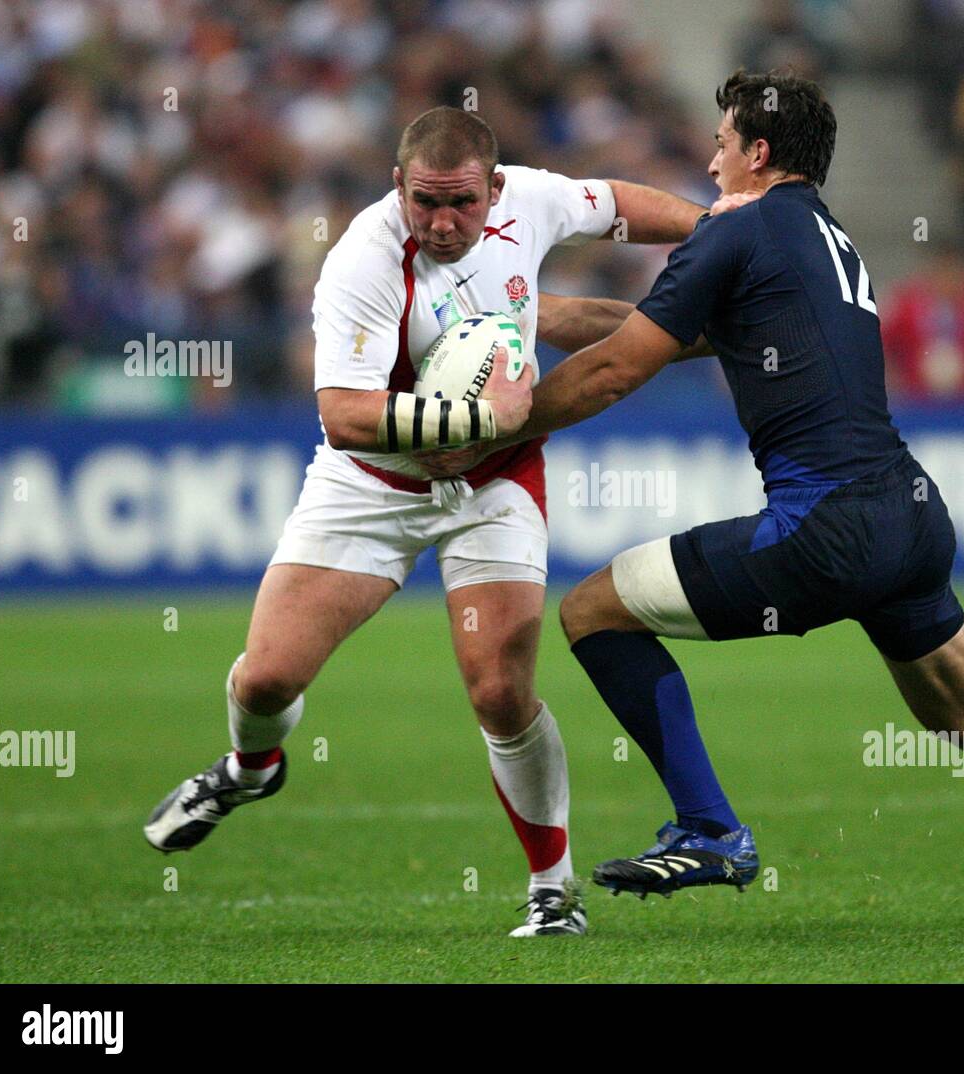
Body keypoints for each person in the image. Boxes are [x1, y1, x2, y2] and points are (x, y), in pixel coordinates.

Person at [486, 71, 964, 921]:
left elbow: (616, 369)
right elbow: (650, 331)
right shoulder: (819, 238)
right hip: (910, 515)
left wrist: (494, 429)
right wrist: (521, 310)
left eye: (722, 146)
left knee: (592, 612)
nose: (712, 163)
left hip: (824, 529)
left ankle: (711, 828)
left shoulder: (736, 231)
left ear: (758, 152)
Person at [144, 105, 711, 937]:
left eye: (462, 203)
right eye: (426, 202)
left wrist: (718, 228)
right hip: (371, 486)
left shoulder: (533, 200)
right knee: (265, 681)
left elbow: (618, 204)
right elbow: (343, 415)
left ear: (496, 189)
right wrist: (475, 420)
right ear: (397, 186)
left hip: (495, 484)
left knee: (500, 689)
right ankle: (251, 767)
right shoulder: (362, 261)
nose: (444, 222)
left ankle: (553, 892)